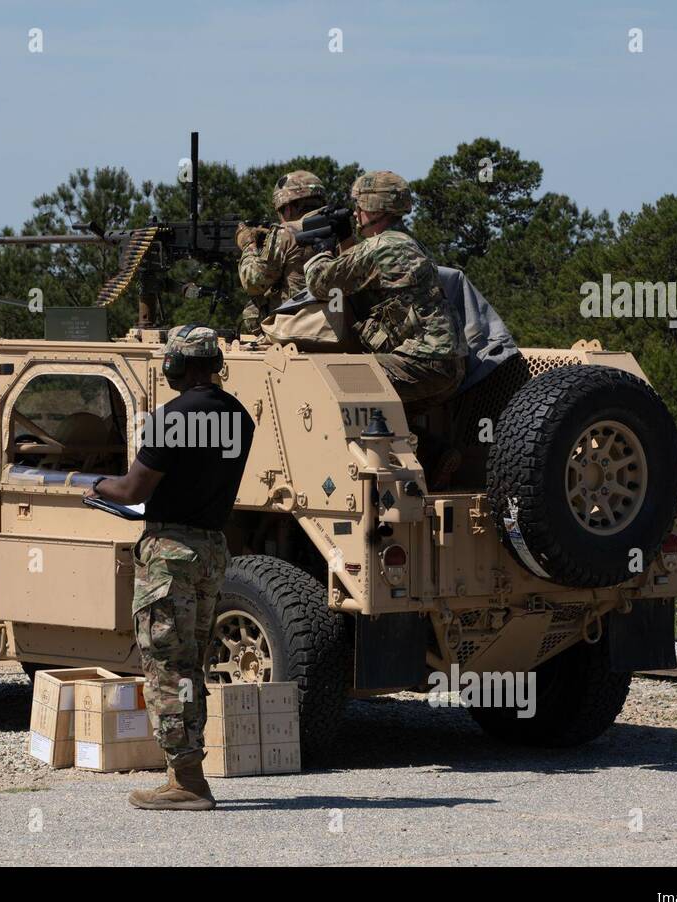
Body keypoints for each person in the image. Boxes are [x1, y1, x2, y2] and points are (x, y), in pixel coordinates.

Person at [86, 325, 255, 810]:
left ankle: (187, 781)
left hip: (169, 554)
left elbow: (134, 491)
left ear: (176, 365)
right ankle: (186, 771)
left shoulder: (171, 418)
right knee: (189, 664)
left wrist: (97, 485)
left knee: (165, 663)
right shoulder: (239, 418)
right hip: (210, 550)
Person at [304, 170, 468, 407]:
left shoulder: (379, 247)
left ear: (374, 208)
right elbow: (358, 273)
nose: (355, 213)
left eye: (358, 205)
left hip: (420, 363)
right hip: (447, 366)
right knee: (395, 425)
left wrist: (321, 250)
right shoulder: (406, 241)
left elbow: (320, 284)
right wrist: (345, 240)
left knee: (325, 380)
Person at [234, 171, 327, 334]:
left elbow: (253, 282)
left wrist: (248, 245)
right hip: (331, 325)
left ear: (289, 207)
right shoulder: (340, 228)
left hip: (294, 327)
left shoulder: (285, 233)